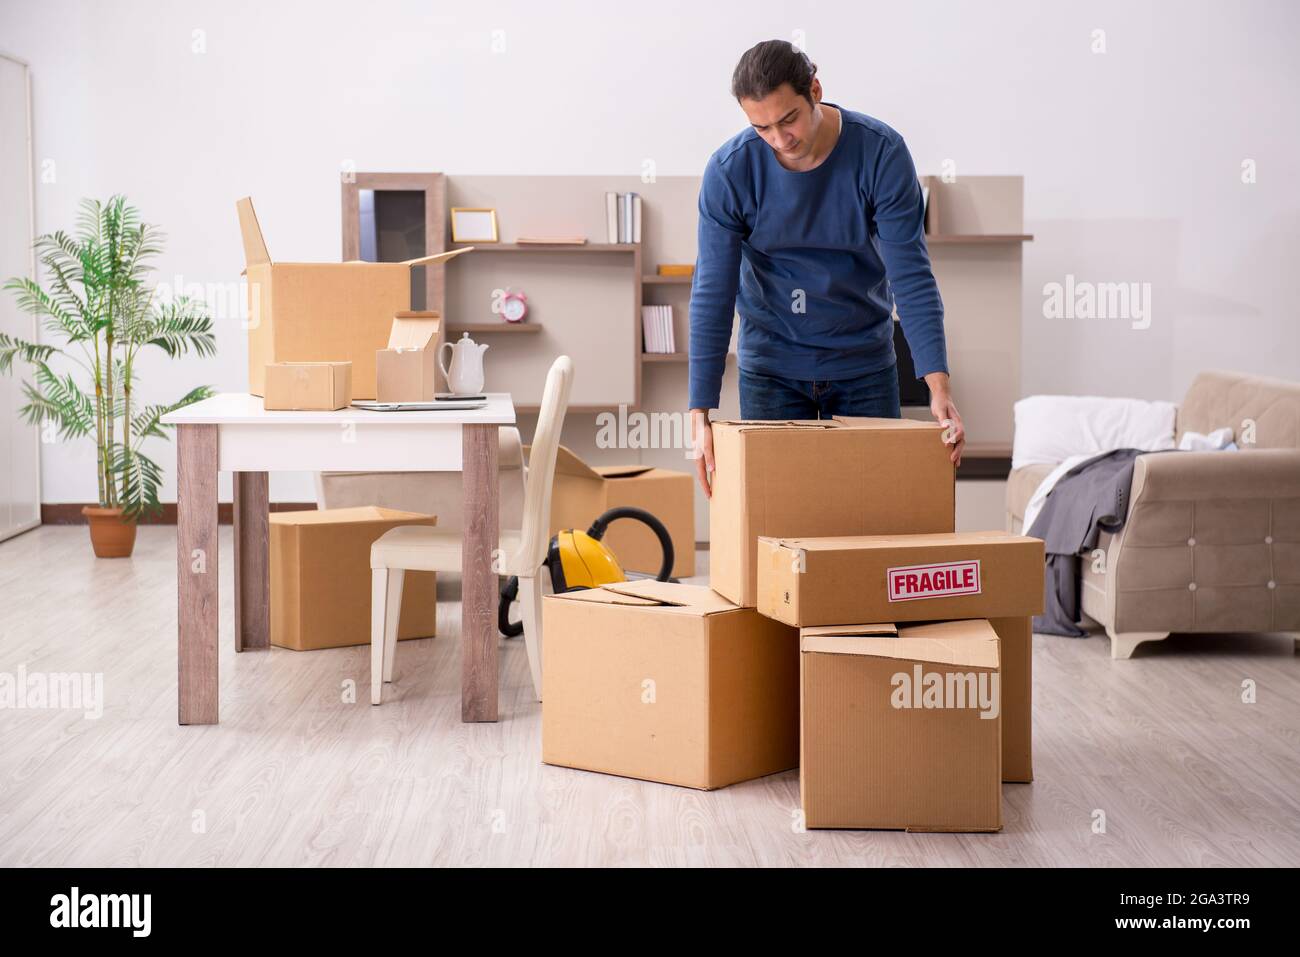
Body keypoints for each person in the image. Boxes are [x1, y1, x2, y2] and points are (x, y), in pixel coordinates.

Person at [689, 39, 965, 496]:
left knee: (870, 516)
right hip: (771, 368)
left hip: (863, 365)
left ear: (815, 90)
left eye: (788, 119)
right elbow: (713, 292)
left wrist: (939, 386)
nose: (780, 140)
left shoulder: (881, 153)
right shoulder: (729, 171)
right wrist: (700, 410)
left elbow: (911, 274)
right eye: (761, 128)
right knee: (775, 516)